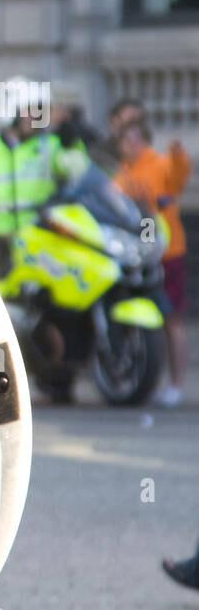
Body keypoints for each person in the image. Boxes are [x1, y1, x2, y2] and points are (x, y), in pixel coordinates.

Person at [0, 78, 88, 278]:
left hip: (36, 238)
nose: (34, 117)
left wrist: (72, 143)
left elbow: (78, 172)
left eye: (40, 111)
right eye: (30, 110)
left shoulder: (49, 146)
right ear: (12, 111)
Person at [112, 118, 190, 408]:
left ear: (144, 140)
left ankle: (176, 385)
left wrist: (180, 153)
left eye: (135, 139)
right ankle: (155, 383)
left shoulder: (160, 164)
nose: (129, 145)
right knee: (150, 323)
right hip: (136, 257)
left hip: (167, 254)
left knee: (173, 321)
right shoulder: (123, 173)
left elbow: (179, 175)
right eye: (125, 140)